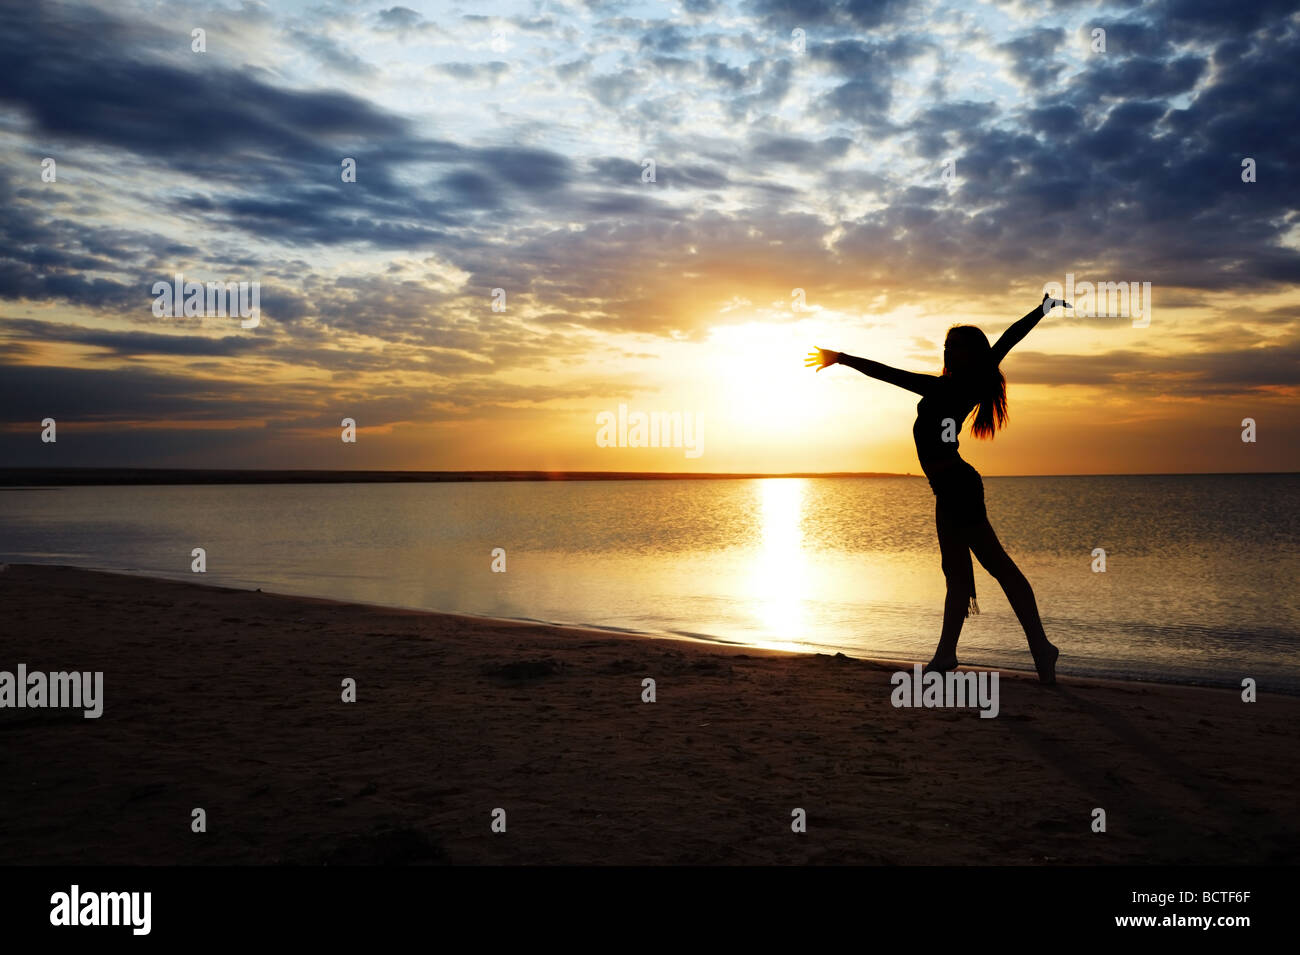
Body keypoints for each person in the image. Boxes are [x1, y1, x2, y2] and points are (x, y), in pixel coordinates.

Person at [805, 292, 1068, 684]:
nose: (948, 353)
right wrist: (842, 359)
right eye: (946, 347)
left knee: (998, 568)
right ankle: (948, 655)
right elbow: (889, 374)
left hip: (959, 487)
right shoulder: (941, 387)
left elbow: (1008, 339)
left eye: (956, 348)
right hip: (946, 490)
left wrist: (1041, 310)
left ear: (972, 354)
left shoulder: (965, 386)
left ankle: (1040, 648)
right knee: (956, 574)